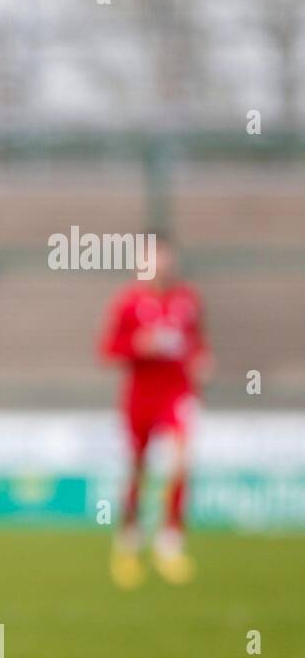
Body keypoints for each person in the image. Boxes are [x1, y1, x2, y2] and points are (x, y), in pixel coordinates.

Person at [99, 234, 209, 587]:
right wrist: (138, 345)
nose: (160, 265)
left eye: (165, 258)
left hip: (176, 392)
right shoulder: (128, 303)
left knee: (180, 460)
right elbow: (108, 350)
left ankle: (170, 541)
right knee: (138, 467)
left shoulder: (186, 300)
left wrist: (202, 358)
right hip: (140, 395)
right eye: (153, 258)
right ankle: (129, 540)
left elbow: (196, 342)